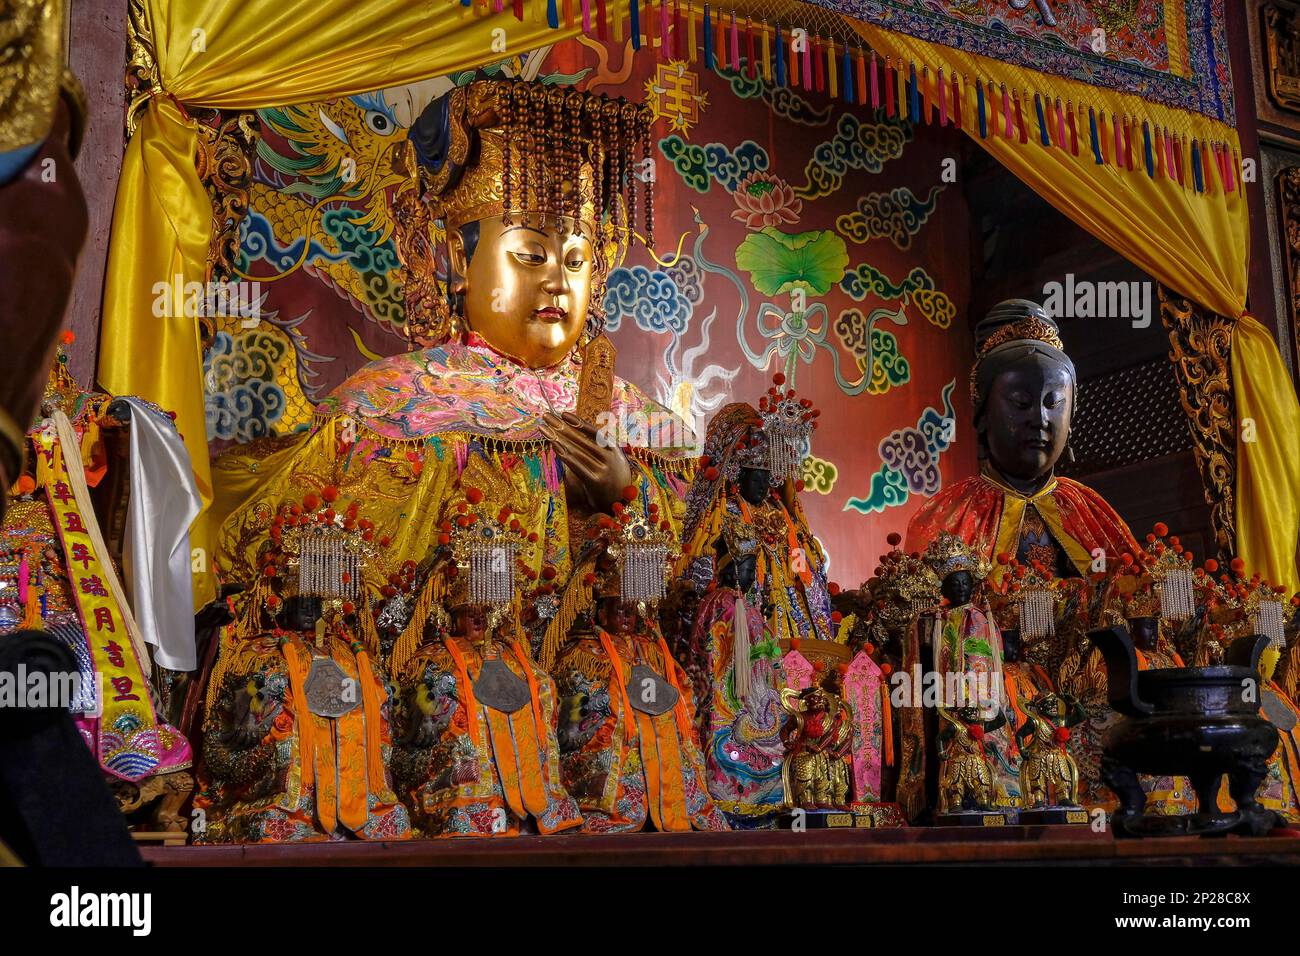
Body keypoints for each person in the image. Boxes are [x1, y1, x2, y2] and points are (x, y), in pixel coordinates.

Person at [217, 79, 691, 639]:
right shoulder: (390, 404)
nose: (558, 282)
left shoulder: (646, 424)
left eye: (576, 259)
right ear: (457, 263)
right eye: (530, 254)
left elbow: (703, 574)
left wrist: (627, 491)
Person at [387, 484, 581, 837]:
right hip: (468, 789)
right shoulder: (434, 659)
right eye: (470, 610)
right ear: (453, 612)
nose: (480, 617)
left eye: (486, 609)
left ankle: (533, 802)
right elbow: (415, 729)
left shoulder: (514, 655)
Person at [906, 300, 1138, 583]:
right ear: (982, 416)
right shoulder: (949, 518)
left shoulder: (1090, 514)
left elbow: (1129, 593)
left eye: (1053, 402)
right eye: (1020, 402)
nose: (1039, 418)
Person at [541, 498, 727, 833]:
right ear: (602, 611)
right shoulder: (585, 653)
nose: (628, 618)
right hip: (619, 748)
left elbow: (679, 693)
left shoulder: (652, 649)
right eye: (620, 610)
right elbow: (576, 707)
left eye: (632, 609)